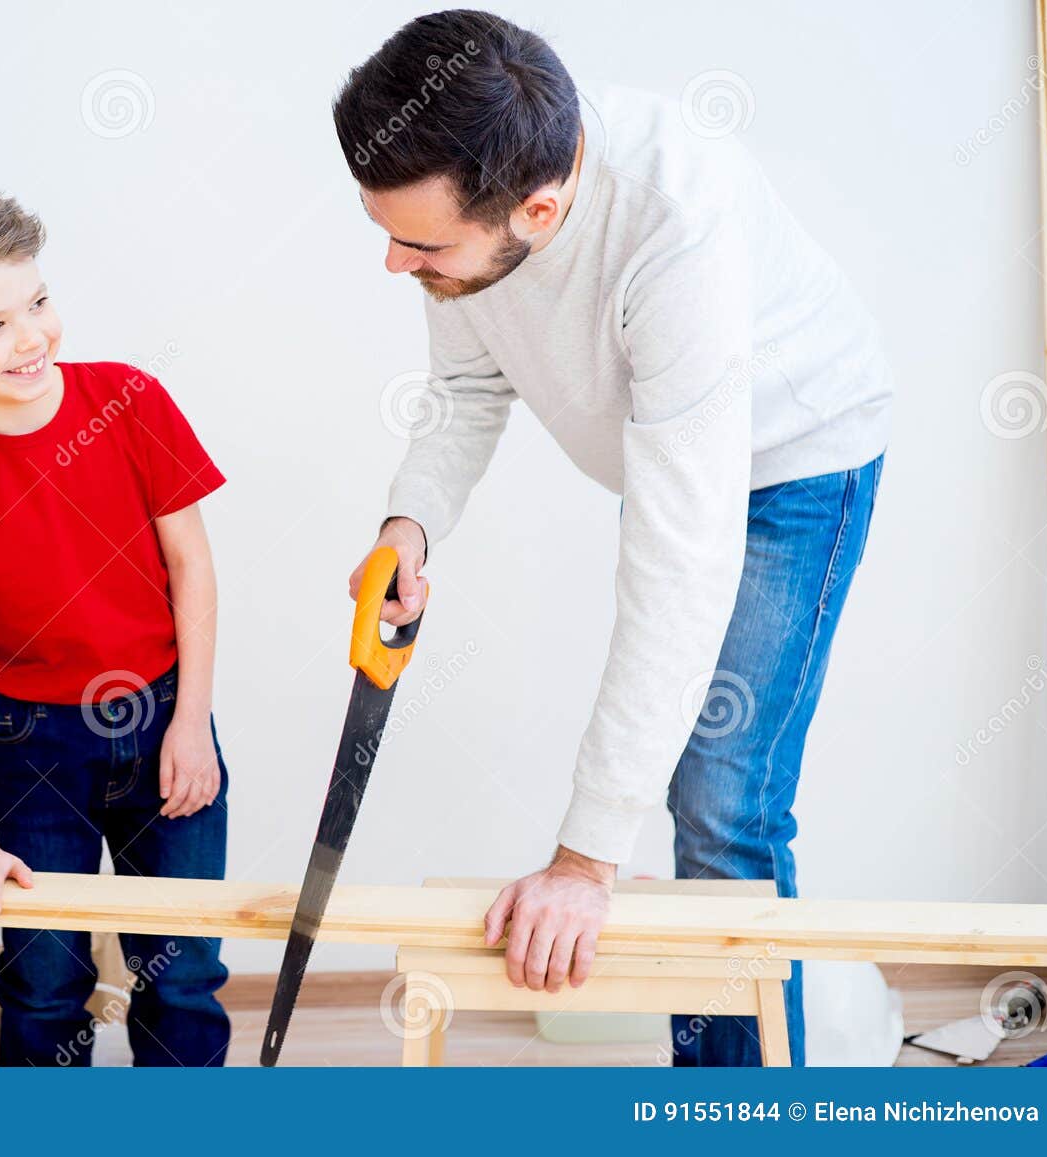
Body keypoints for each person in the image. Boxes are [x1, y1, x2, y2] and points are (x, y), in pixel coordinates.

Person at [334, 10, 890, 1066]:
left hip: (794, 460)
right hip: (670, 452)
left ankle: (743, 1108)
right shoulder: (469, 203)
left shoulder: (677, 229)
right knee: (678, 766)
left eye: (419, 242)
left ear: (539, 211)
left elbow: (680, 560)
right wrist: (409, 523)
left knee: (722, 797)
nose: (394, 263)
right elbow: (464, 381)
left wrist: (584, 861)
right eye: (385, 228)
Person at [0, 188, 231, 1066]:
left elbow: (195, 568)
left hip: (161, 716)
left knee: (180, 971)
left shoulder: (131, 401)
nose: (31, 337)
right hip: (27, 746)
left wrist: (191, 724)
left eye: (36, 304)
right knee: (43, 979)